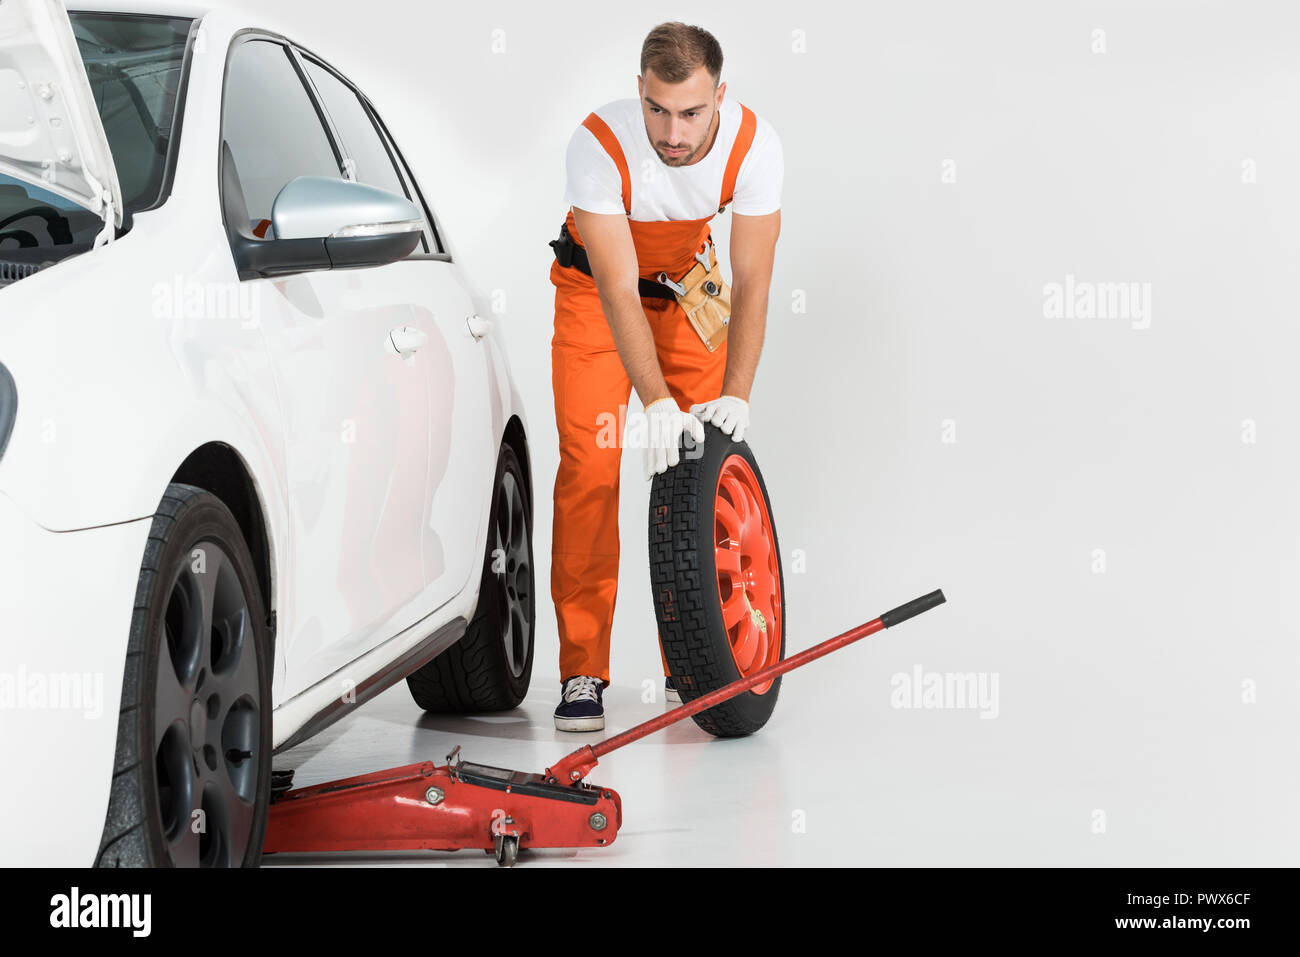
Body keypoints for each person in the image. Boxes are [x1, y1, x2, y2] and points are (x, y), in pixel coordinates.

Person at [547, 21, 783, 731]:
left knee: (694, 463)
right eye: (657, 109)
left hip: (687, 289)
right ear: (639, 94)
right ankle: (582, 666)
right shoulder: (597, 144)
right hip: (595, 293)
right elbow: (619, 288)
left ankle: (691, 661)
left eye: (690, 112)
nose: (672, 132)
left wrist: (737, 391)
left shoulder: (754, 146)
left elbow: (752, 277)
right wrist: (653, 400)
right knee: (591, 464)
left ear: (719, 96)